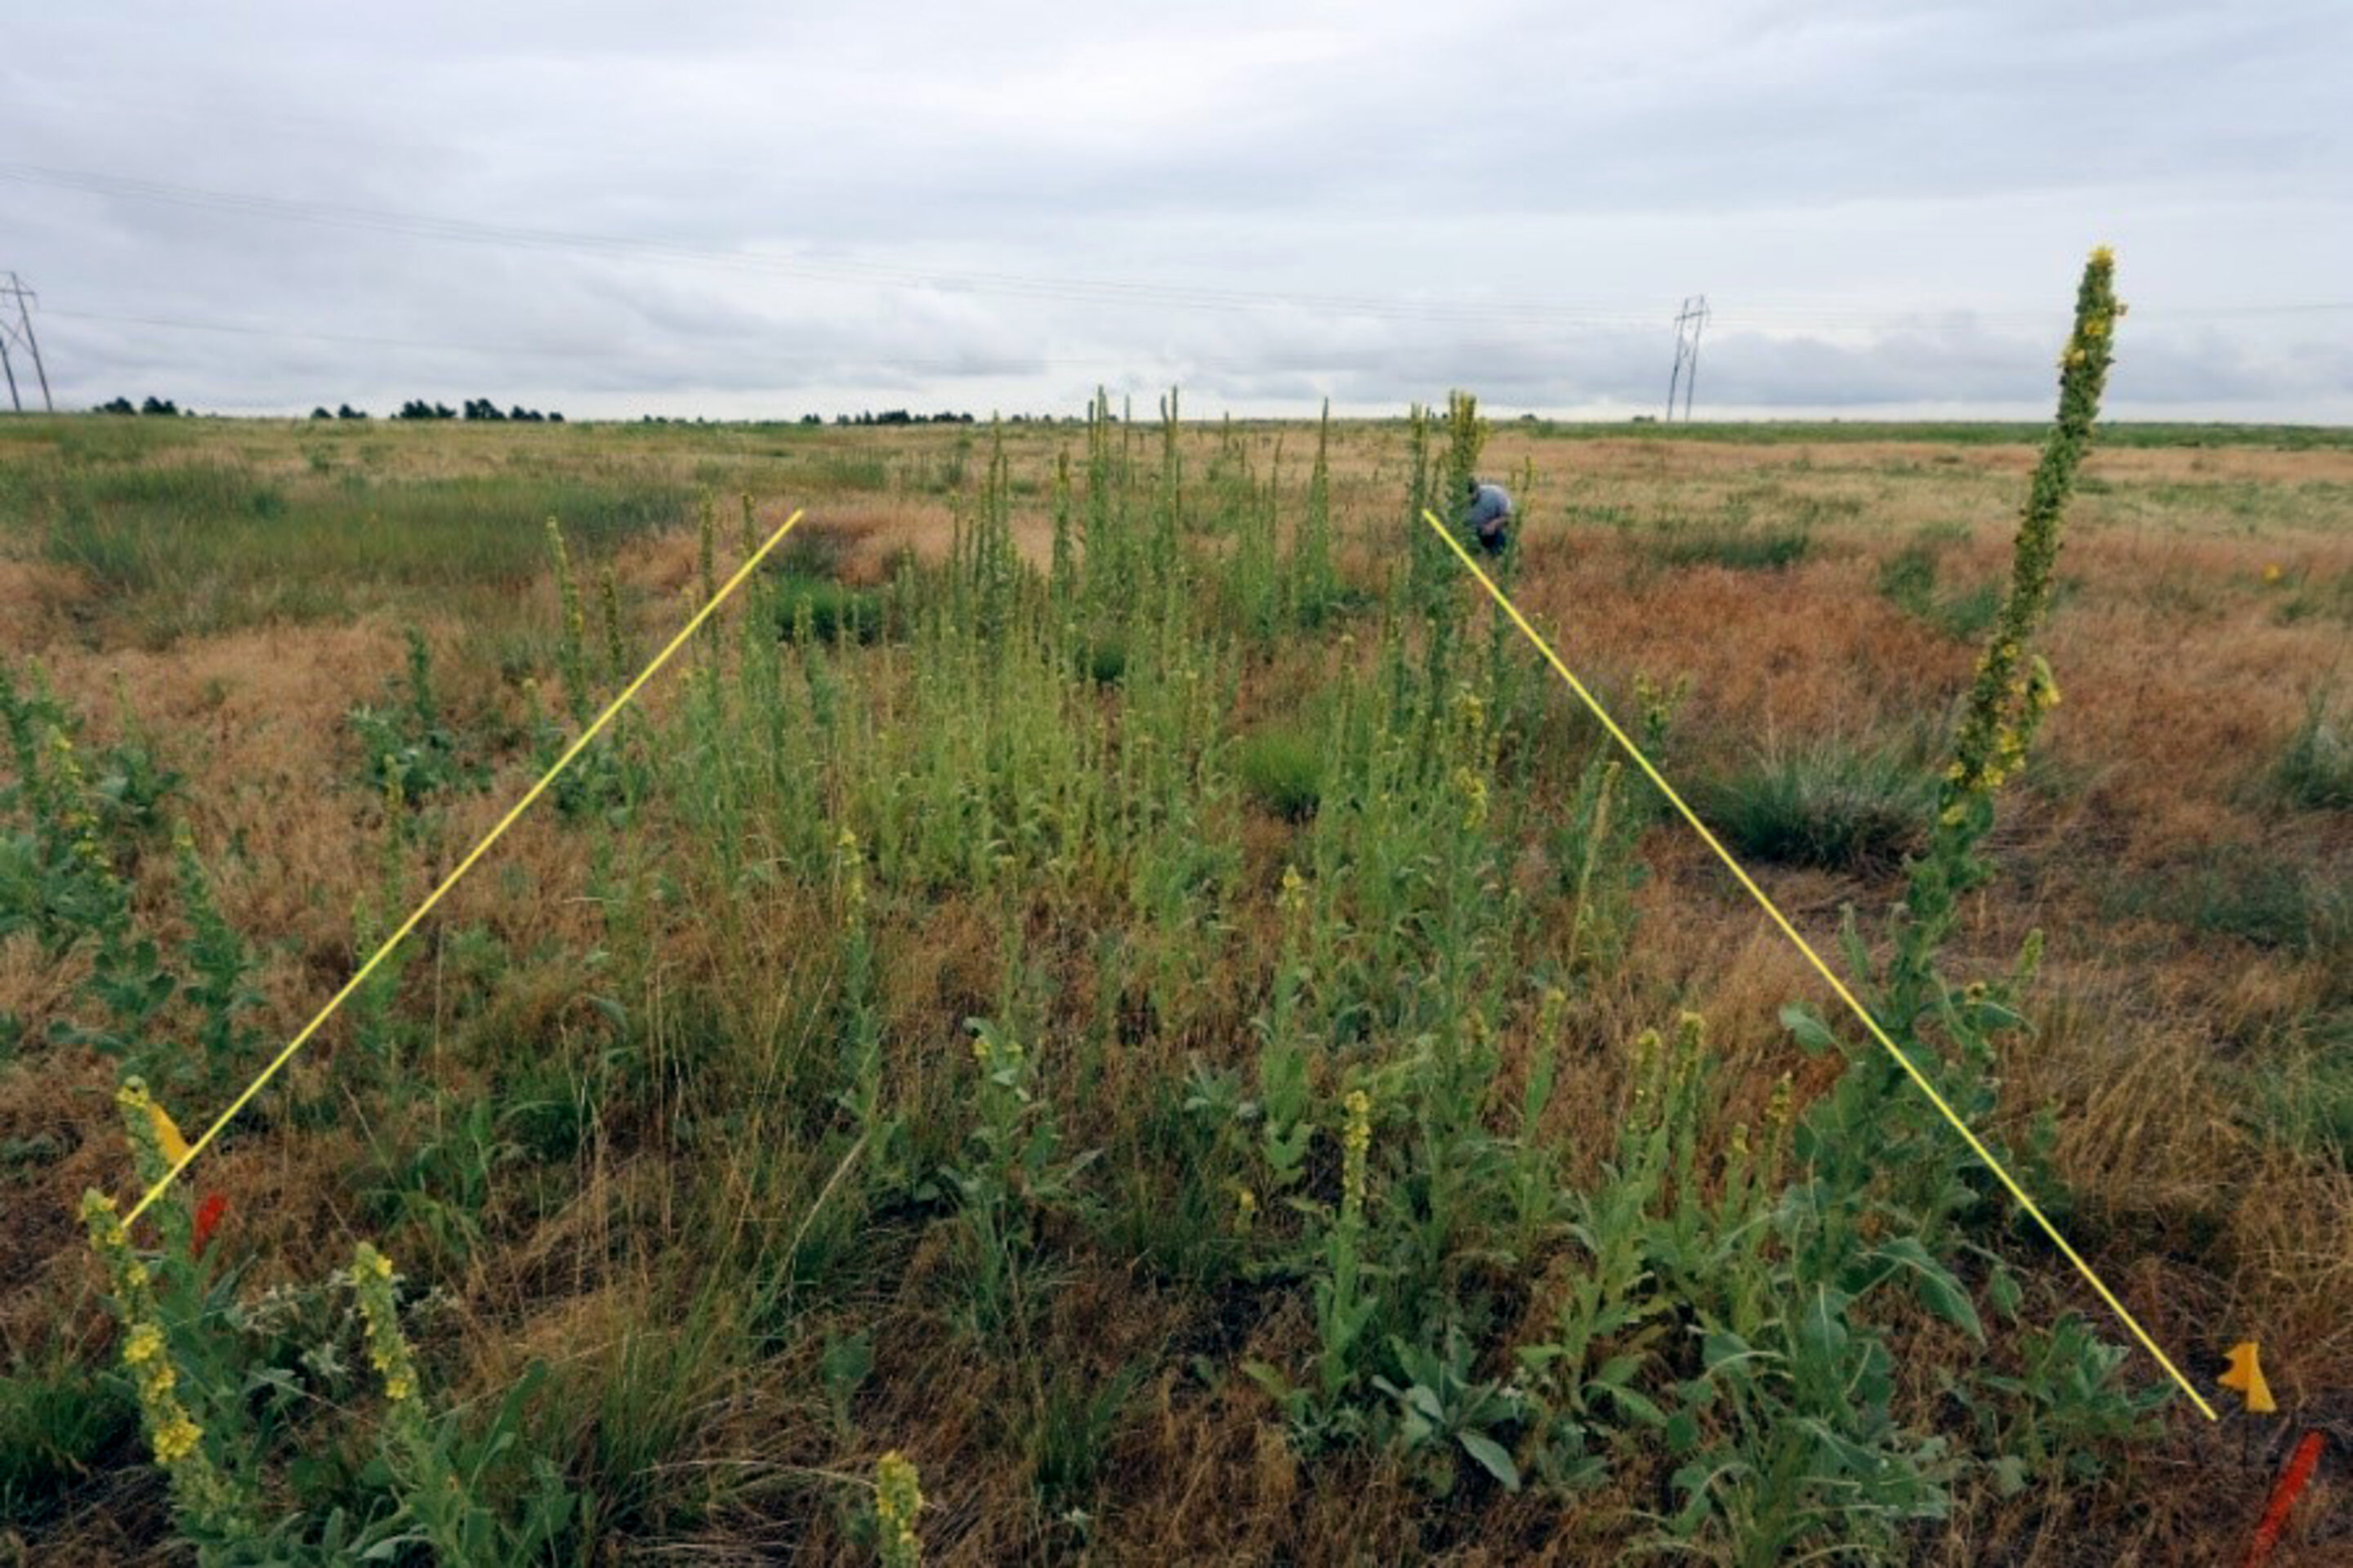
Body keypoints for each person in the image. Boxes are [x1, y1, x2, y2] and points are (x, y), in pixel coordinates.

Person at [1464, 476, 1514, 555]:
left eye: (1471, 496)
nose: (1468, 501)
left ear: (1477, 490)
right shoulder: (1453, 503)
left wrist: (1494, 524)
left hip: (1494, 534)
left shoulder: (1496, 495)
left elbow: (1509, 517)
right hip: (1469, 536)